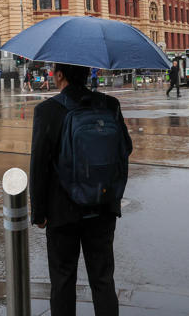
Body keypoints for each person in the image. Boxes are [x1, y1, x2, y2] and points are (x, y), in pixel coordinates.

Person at [30, 63, 132, 316]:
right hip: (103, 205)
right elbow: (125, 150)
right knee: (103, 279)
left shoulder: (48, 110)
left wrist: (39, 213)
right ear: (87, 74)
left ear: (60, 74)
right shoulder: (110, 105)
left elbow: (39, 165)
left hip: (63, 211)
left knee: (63, 280)